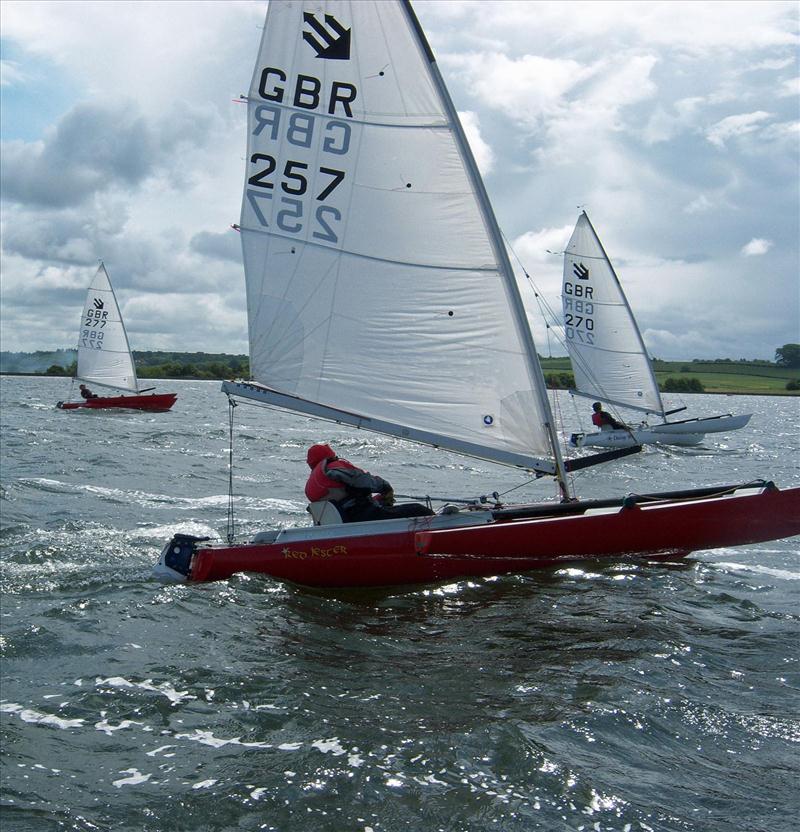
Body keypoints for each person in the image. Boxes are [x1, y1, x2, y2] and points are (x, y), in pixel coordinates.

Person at [304, 443, 435, 523]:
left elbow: (345, 501)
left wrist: (378, 499)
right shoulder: (334, 467)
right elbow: (364, 481)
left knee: (383, 505)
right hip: (361, 517)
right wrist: (385, 487)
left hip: (346, 520)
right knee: (418, 509)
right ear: (330, 456)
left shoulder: (313, 482)